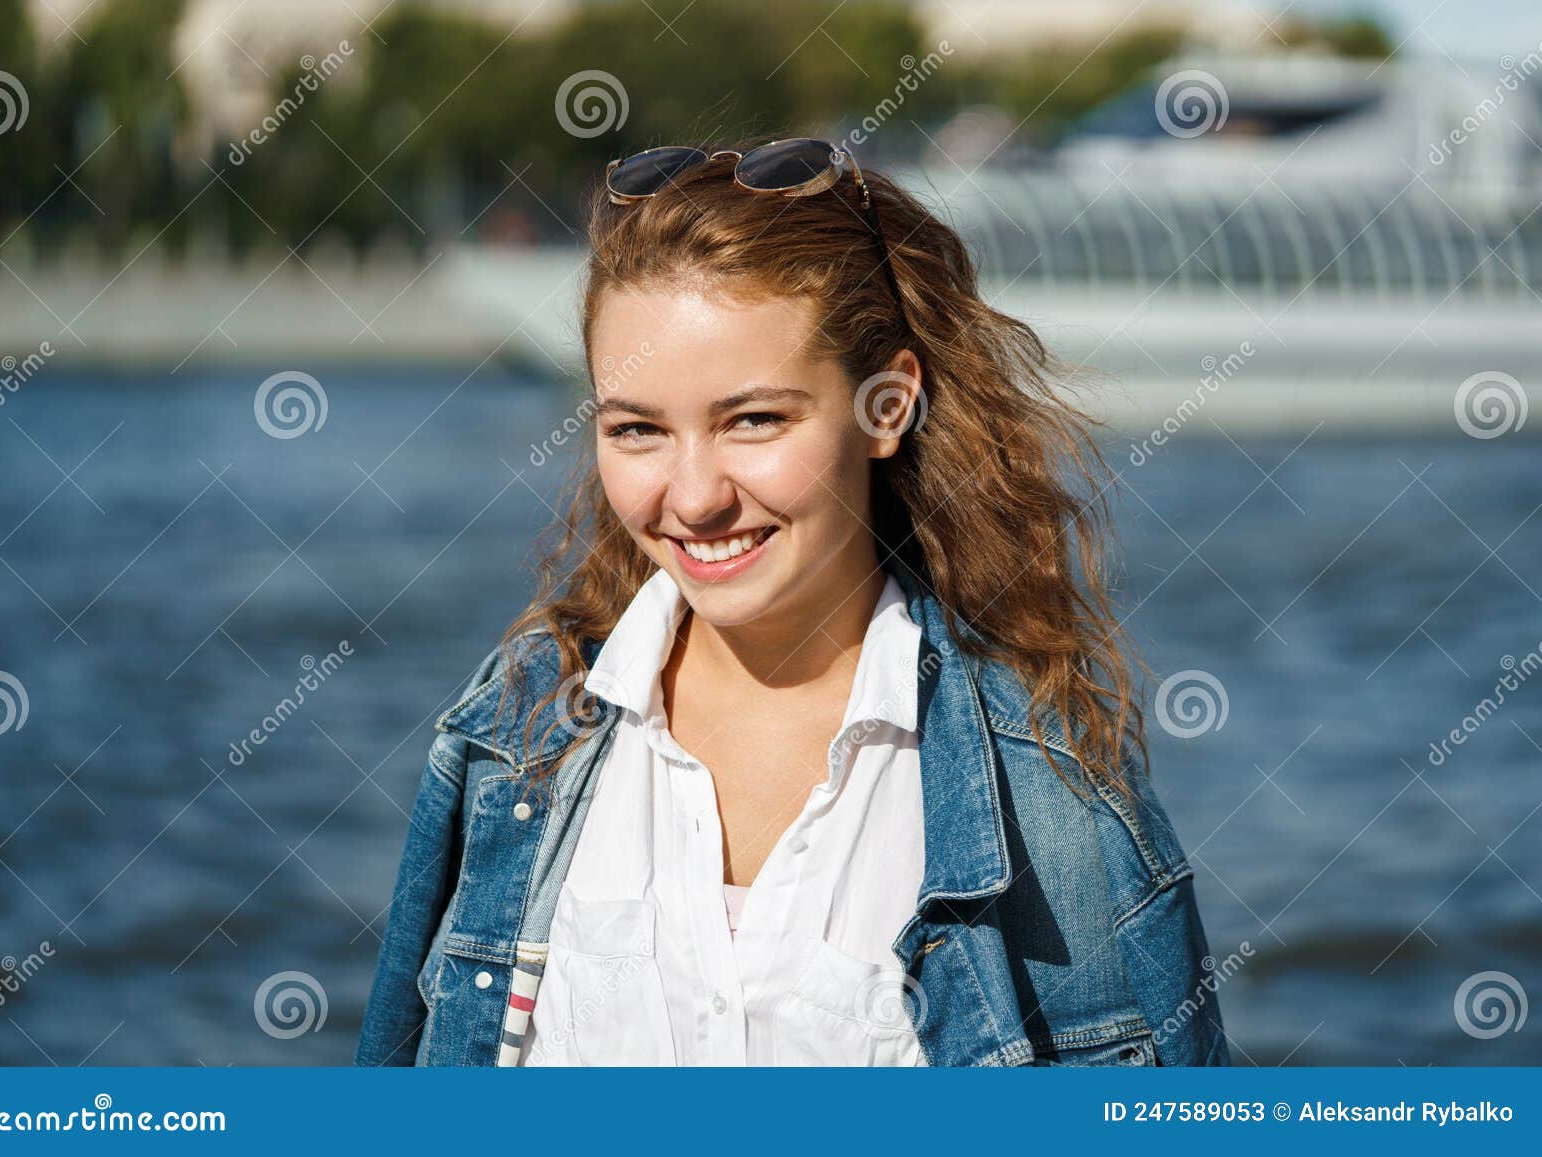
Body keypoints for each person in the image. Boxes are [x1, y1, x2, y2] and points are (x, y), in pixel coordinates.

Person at [355, 136, 1229, 1067]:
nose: (692, 498)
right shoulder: (514, 731)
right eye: (638, 429)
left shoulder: (1050, 787)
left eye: (754, 420)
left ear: (885, 408)